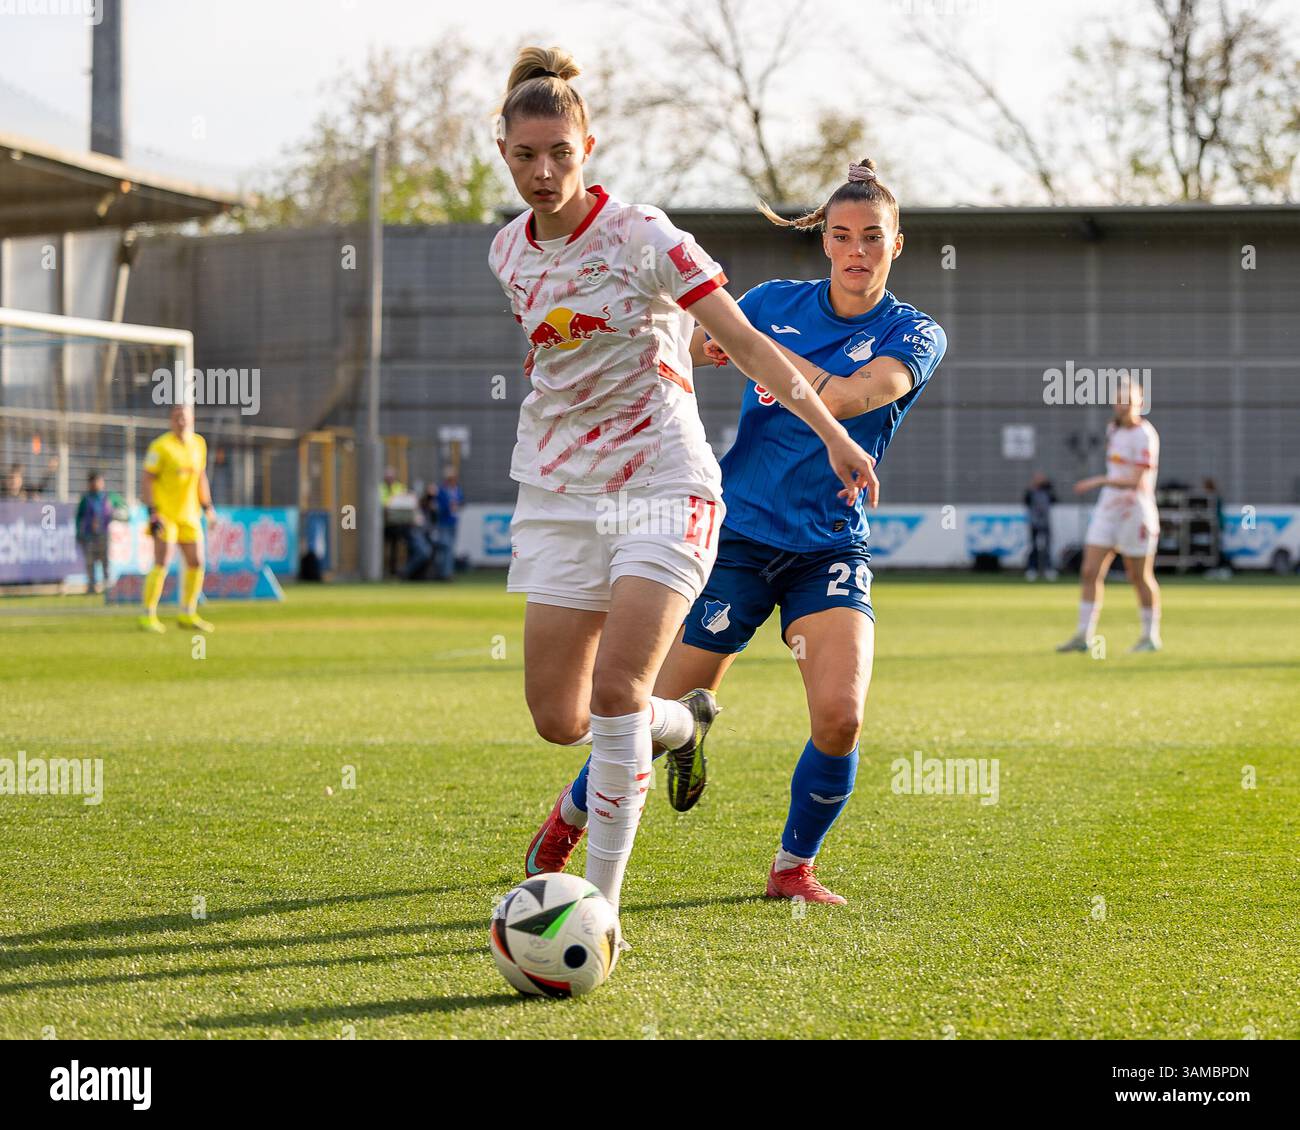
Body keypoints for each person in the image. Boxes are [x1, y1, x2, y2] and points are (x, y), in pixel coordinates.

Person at [491, 47, 877, 914]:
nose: (543, 171)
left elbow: (745, 343)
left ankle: (600, 909)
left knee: (619, 691)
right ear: (504, 151)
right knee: (560, 718)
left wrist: (832, 438)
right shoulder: (506, 254)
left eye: (560, 151)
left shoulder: (643, 234)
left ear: (589, 142)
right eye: (525, 155)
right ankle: (682, 721)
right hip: (559, 495)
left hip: (666, 483)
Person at [529, 159, 945, 906]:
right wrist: (700, 342)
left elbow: (852, 399)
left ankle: (792, 869)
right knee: (643, 712)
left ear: (898, 245)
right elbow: (682, 343)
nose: (857, 251)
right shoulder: (773, 302)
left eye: (873, 238)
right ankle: (565, 823)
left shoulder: (914, 332)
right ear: (823, 241)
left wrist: (751, 344)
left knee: (842, 717)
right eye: (842, 235)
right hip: (736, 540)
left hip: (828, 547)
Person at [1058, 377, 1161, 653]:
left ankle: (1150, 636)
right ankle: (1083, 635)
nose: (1123, 406)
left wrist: (1097, 482)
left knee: (1139, 576)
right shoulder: (1112, 431)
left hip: (1135, 511)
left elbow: (1136, 481)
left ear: (1140, 403)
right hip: (1108, 510)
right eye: (1119, 400)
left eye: (1128, 401)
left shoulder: (1145, 435)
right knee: (1090, 571)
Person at [139, 403, 217, 633]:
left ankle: (187, 613)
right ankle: (148, 614)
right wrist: (152, 512)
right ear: (171, 421)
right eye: (176, 418)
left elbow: (201, 478)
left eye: (184, 417)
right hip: (165, 514)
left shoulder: (199, 444)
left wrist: (208, 508)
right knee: (161, 562)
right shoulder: (160, 446)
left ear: (192, 420)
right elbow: (147, 479)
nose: (181, 422)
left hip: (190, 515)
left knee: (197, 562)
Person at [76, 471, 114, 594]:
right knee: (90, 562)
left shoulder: (108, 497)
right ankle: (91, 586)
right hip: (89, 536)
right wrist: (79, 533)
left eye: (98, 481)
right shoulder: (86, 499)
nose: (96, 484)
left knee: (105, 561)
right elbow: (78, 517)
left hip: (103, 534)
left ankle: (107, 586)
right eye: (93, 482)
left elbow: (120, 509)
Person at [1024, 471, 1058, 581]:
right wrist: (1032, 487)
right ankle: (1031, 569)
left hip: (1045, 522)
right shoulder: (1031, 491)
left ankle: (1049, 569)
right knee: (1033, 546)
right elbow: (1026, 501)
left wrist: (1047, 485)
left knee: (1047, 547)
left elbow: (1055, 499)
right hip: (1034, 523)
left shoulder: (1047, 491)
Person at [434, 465, 463, 582]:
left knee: (450, 549)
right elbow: (440, 506)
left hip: (453, 522)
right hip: (444, 523)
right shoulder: (442, 490)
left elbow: (461, 501)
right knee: (446, 548)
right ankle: (443, 573)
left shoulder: (457, 489)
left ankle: (447, 572)